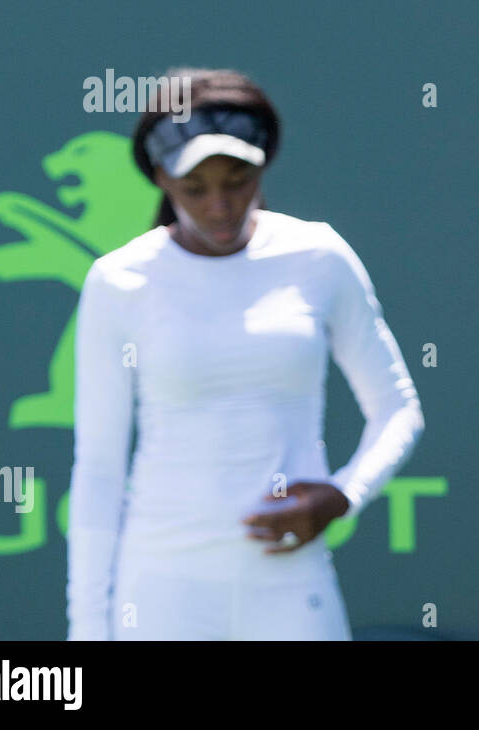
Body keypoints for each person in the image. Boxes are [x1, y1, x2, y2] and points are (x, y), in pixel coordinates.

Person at [66, 68, 424, 640]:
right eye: (195, 188)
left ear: (262, 166)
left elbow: (399, 408)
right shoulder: (118, 281)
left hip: (291, 587)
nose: (219, 206)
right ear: (161, 178)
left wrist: (342, 496)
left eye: (237, 179)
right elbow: (99, 470)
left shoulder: (319, 255)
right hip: (159, 592)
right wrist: (86, 632)